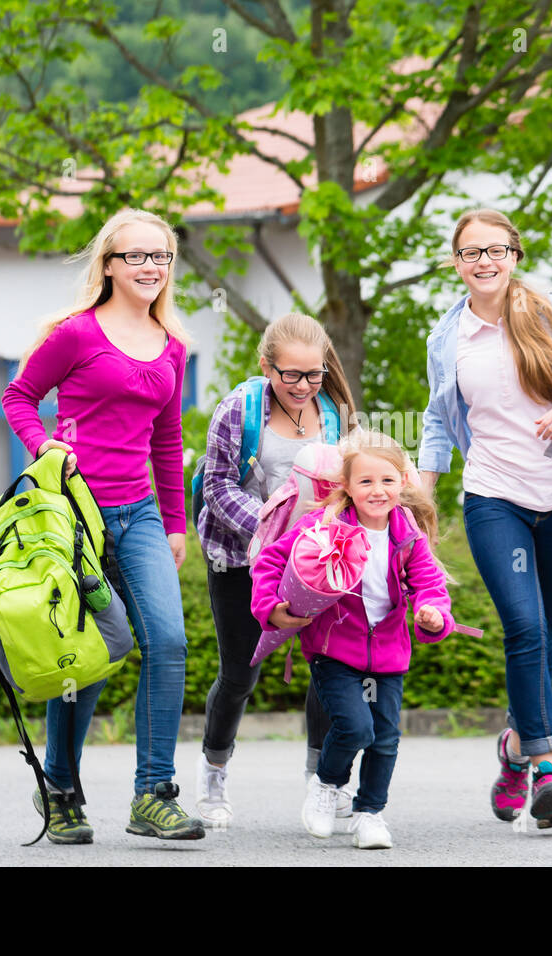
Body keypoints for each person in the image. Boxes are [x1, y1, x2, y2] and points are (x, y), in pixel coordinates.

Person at [2, 207, 203, 843]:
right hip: (72, 517)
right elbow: (18, 397)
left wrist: (176, 523)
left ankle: (153, 793)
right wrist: (45, 449)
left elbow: (167, 442)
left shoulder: (173, 346)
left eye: (161, 256)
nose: (151, 267)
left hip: (139, 513)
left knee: (167, 642)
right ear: (110, 266)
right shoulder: (76, 335)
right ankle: (60, 788)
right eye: (137, 256)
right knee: (82, 654)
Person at [417, 208, 552, 829]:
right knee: (525, 628)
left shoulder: (551, 313)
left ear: (514, 255)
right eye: (471, 253)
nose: (484, 262)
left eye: (495, 250)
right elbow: (435, 419)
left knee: (544, 640)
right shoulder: (446, 338)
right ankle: (548, 767)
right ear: (456, 262)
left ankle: (512, 749)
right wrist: (422, 498)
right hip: (493, 498)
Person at [250, 431, 455, 849]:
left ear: (402, 482)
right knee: (355, 727)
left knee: (385, 737)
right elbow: (272, 557)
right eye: (365, 482)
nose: (377, 490)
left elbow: (431, 585)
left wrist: (434, 614)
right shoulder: (323, 525)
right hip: (333, 651)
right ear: (346, 486)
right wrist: (268, 606)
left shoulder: (409, 536)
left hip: (389, 655)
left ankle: (369, 813)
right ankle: (327, 785)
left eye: (386, 480)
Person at [195, 313, 358, 827]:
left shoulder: (334, 413)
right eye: (291, 375)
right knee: (240, 675)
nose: (304, 386)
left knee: (328, 670)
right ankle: (214, 775)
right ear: (267, 366)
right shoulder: (236, 411)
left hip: (315, 563)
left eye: (314, 375)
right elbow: (218, 487)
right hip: (243, 557)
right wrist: (273, 536)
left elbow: (347, 483)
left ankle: (321, 783)